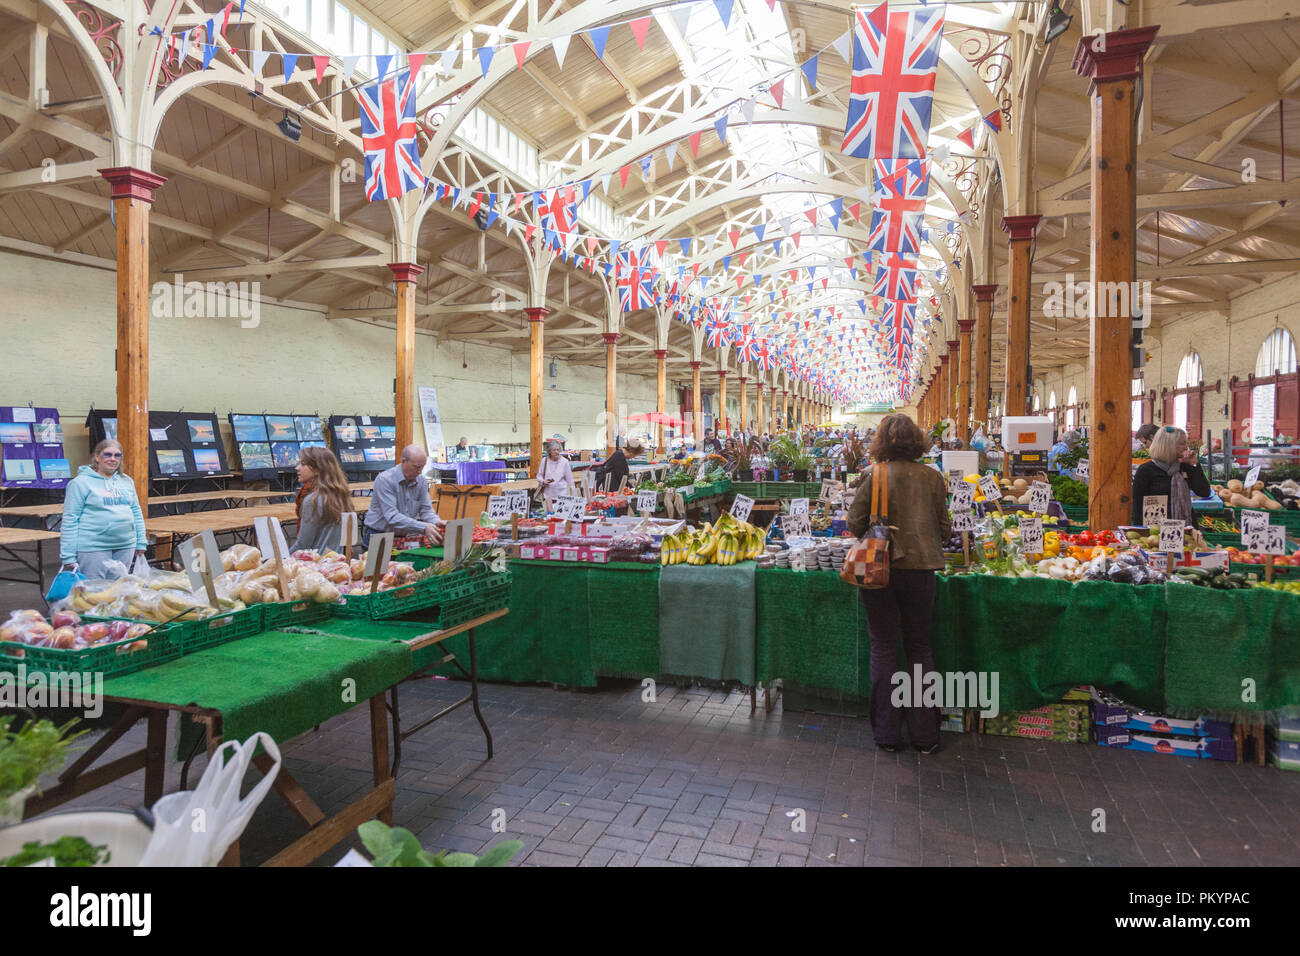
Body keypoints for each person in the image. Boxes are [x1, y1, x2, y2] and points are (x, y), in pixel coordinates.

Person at [847, 414, 949, 756]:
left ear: (882, 442)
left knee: (884, 647)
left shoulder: (874, 475)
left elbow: (854, 522)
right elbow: (944, 529)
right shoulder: (934, 478)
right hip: (922, 570)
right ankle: (925, 735)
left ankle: (888, 735)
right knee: (920, 648)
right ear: (917, 441)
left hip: (879, 570)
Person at [59, 439, 147, 580]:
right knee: (93, 594)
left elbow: (136, 511)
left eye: (117, 455)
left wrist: (141, 540)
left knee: (117, 592)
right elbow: (70, 519)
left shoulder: (126, 481)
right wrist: (68, 555)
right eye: (108, 454)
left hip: (126, 545)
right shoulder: (80, 483)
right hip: (93, 547)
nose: (113, 459)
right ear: (97, 457)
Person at [363, 445, 444, 545]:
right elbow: (392, 516)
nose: (420, 471)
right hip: (379, 535)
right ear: (403, 461)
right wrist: (424, 527)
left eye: (423, 467)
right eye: (417, 467)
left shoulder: (421, 481)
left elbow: (426, 510)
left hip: (404, 537)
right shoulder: (385, 480)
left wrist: (437, 522)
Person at [1131, 426, 1210, 526]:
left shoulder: (1185, 467)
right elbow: (1138, 506)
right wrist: (1142, 533)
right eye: (1182, 444)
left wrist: (1194, 465)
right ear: (1168, 445)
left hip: (1186, 528)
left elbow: (1204, 492)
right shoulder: (1146, 471)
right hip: (1156, 531)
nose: (1186, 447)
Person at [291, 446, 354, 553]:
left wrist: (281, 559)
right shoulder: (341, 496)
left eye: (303, 464)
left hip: (314, 566)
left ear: (316, 469)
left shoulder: (312, 501)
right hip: (335, 563)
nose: (297, 468)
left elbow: (303, 545)